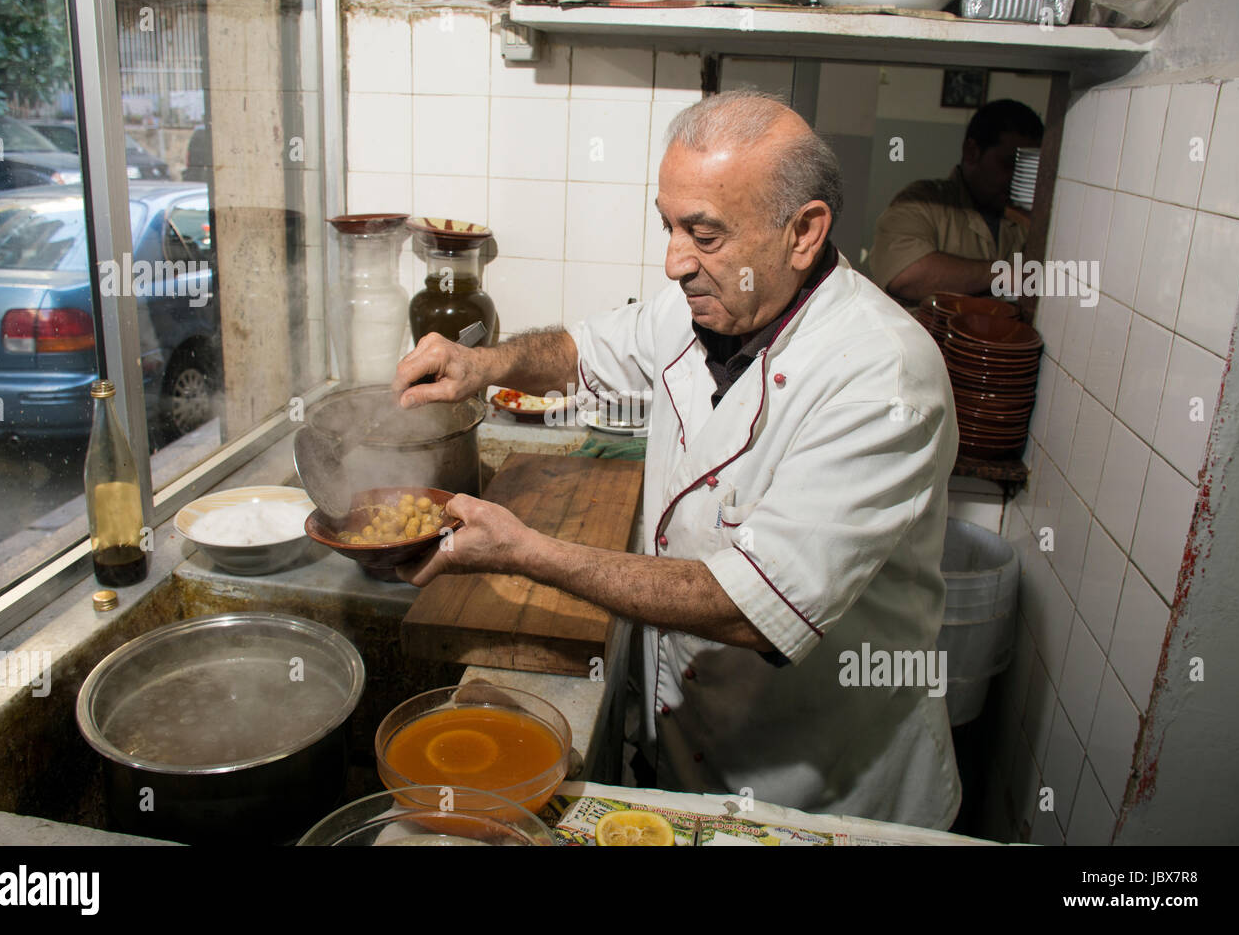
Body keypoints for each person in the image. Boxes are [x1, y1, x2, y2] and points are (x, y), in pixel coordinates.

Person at [392, 90, 961, 830]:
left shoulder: (883, 377)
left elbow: (751, 605)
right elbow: (584, 355)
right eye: (667, 226)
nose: (673, 262)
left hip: (824, 789)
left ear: (803, 233)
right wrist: (482, 363)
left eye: (706, 234)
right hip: (690, 750)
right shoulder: (703, 304)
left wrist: (523, 551)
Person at [867, 99, 1044, 305]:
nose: (1020, 179)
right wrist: (1003, 274)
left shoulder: (1023, 220)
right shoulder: (922, 202)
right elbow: (906, 275)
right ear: (972, 152)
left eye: (1029, 169)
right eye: (1009, 164)